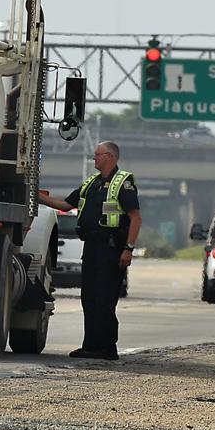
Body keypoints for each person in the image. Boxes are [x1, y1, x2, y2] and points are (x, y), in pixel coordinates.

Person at [38, 141, 140, 360]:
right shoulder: (91, 183)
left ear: (110, 156)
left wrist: (128, 249)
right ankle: (90, 346)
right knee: (89, 297)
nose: (94, 158)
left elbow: (135, 218)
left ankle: (107, 348)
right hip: (92, 248)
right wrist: (37, 196)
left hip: (112, 249)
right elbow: (66, 205)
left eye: (97, 155)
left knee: (105, 298)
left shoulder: (123, 183)